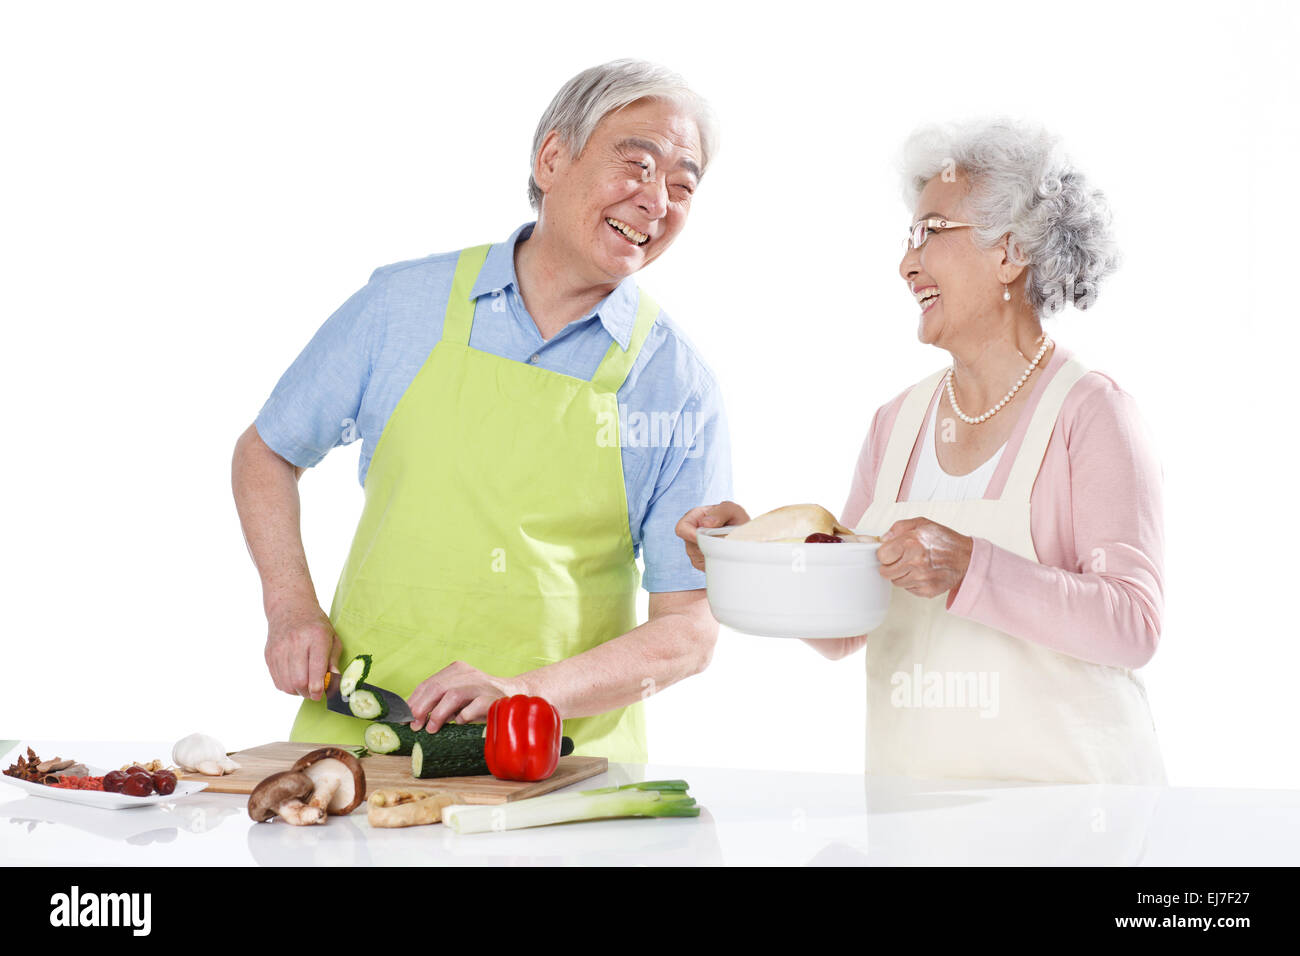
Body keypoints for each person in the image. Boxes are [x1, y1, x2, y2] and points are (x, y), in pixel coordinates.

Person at [232, 59, 731, 762]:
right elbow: (269, 450)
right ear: (552, 158)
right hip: (359, 753)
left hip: (558, 771)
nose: (658, 200)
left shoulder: (675, 384)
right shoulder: (401, 308)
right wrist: (290, 607)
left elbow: (690, 631)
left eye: (683, 185)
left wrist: (527, 691)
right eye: (637, 165)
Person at [678, 119, 1167, 785]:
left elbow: (1133, 625)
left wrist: (971, 566)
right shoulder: (896, 425)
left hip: (1071, 823)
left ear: (1011, 251)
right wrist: (747, 556)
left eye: (931, 233)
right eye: (911, 238)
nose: (907, 264)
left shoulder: (1092, 414)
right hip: (913, 821)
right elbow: (845, 622)